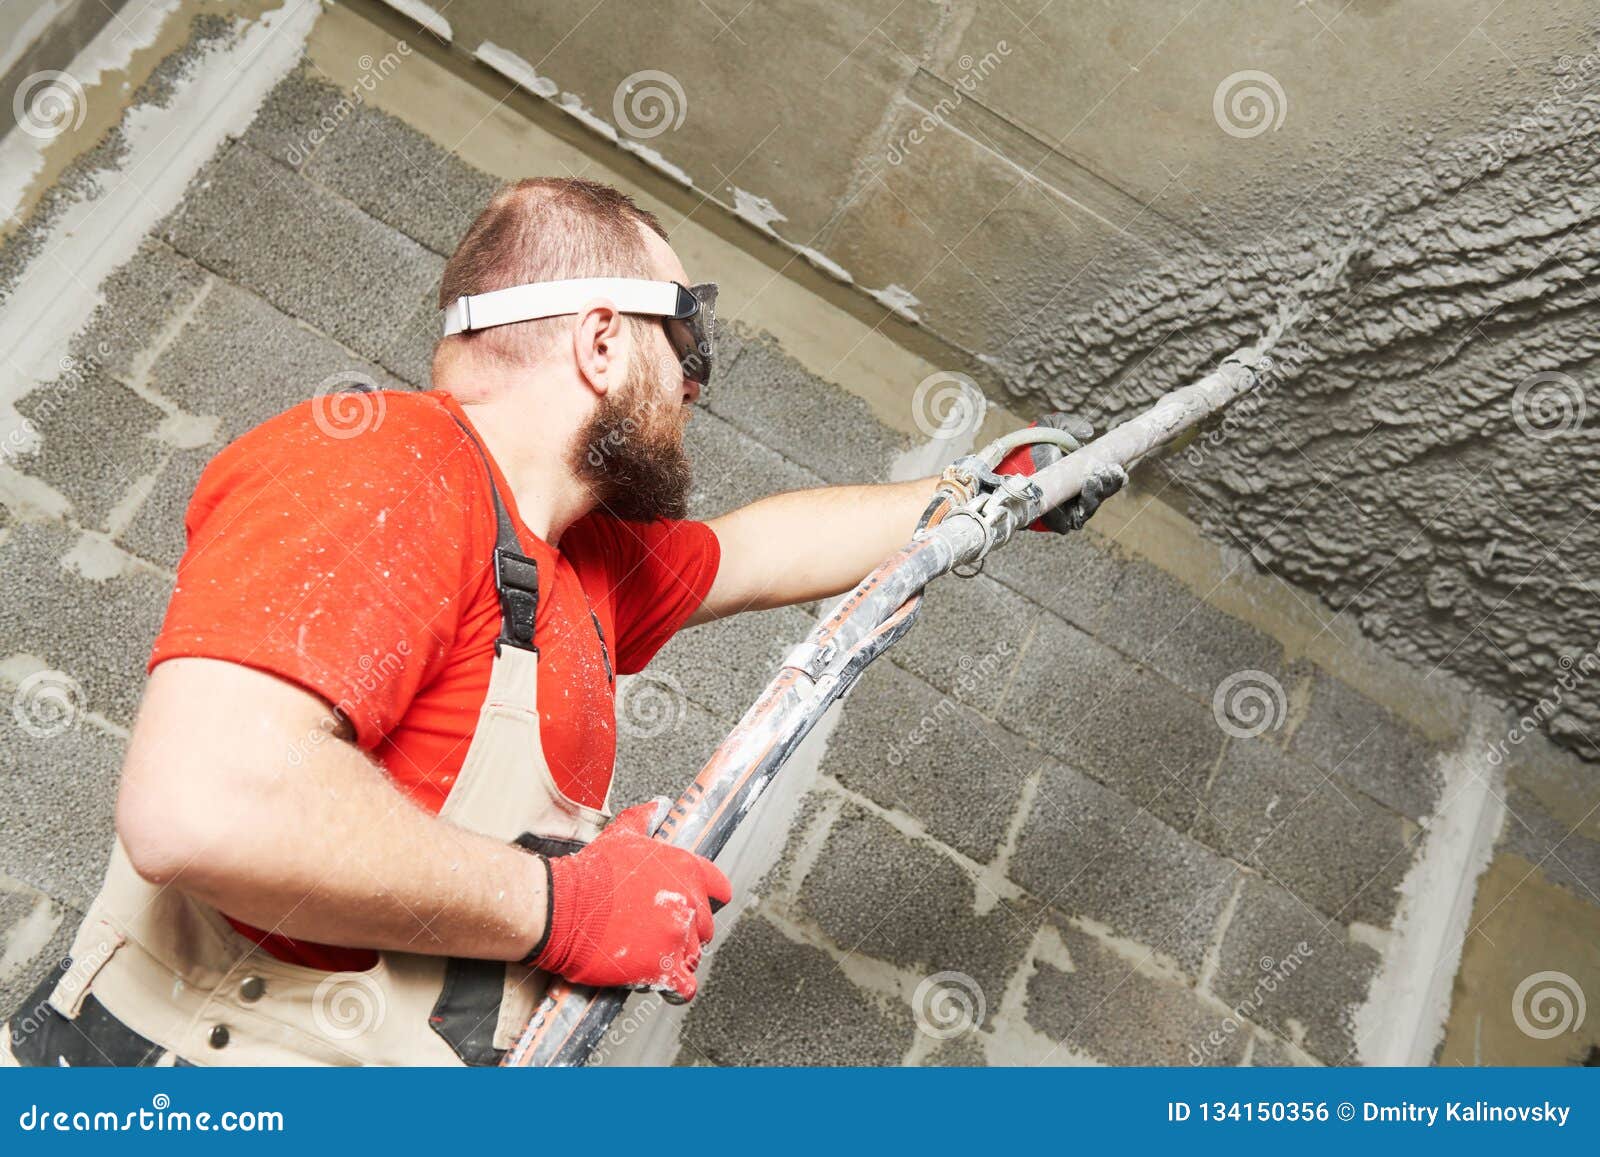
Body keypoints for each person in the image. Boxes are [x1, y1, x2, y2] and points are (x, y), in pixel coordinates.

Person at [3, 178, 1117, 1066]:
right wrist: (566, 904)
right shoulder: (389, 460)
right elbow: (201, 804)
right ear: (599, 341)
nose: (696, 394)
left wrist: (982, 496)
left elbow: (762, 548)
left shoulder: (581, 570)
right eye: (689, 355)